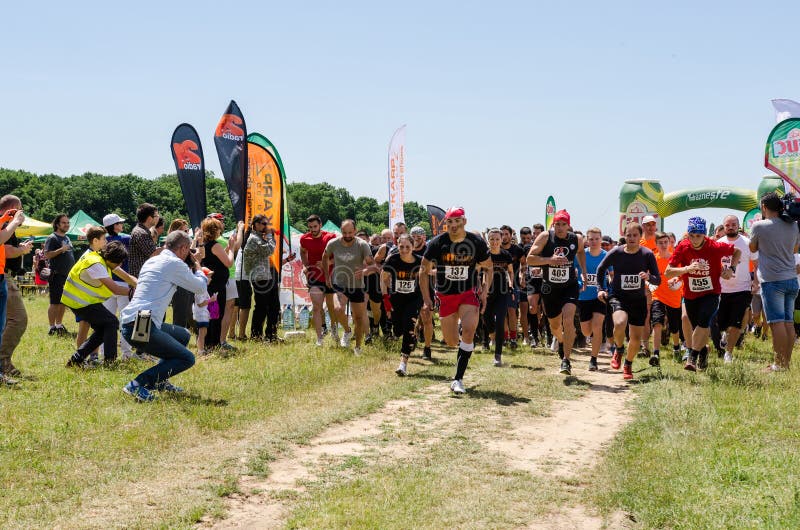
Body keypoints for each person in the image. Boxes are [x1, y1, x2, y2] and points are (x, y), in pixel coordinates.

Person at [120, 231, 209, 402]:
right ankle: (137, 384)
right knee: (187, 358)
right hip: (141, 323)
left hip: (133, 320)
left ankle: (159, 381)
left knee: (182, 334)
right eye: (188, 250)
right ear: (183, 248)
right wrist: (198, 268)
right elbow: (199, 287)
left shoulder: (153, 260)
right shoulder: (174, 264)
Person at [421, 207, 491, 394]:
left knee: (468, 331)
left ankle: (458, 379)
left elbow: (488, 267)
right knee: (452, 341)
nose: (452, 225)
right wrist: (427, 299)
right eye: (449, 222)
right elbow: (423, 270)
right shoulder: (437, 243)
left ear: (464, 222)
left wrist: (484, 291)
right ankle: (462, 337)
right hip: (445, 295)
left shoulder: (475, 242)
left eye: (456, 222)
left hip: (468, 292)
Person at [666, 217, 739, 371]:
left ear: (704, 234)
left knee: (704, 321)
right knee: (698, 326)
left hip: (711, 293)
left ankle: (692, 356)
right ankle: (703, 351)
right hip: (690, 294)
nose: (694, 239)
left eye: (698, 236)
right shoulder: (683, 247)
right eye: (691, 235)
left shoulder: (715, 246)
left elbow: (737, 252)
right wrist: (686, 269)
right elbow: (668, 272)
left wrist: (731, 269)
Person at [596, 223, 660, 380]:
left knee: (636, 338)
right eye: (628, 235)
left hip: (638, 300)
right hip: (619, 296)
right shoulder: (616, 252)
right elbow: (601, 269)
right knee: (619, 323)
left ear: (640, 236)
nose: (631, 238)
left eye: (635, 235)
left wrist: (648, 277)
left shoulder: (647, 254)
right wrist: (600, 289)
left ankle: (628, 364)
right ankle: (618, 349)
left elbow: (658, 279)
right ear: (624, 236)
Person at [526, 209, 587, 376]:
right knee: (554, 325)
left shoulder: (577, 239)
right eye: (557, 224)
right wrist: (549, 260)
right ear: (553, 225)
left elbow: (581, 252)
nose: (560, 228)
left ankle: (566, 360)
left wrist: (583, 271)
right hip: (550, 288)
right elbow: (529, 259)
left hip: (569, 286)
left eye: (563, 224)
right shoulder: (546, 237)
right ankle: (560, 341)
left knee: (568, 321)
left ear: (569, 225)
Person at [63, 240, 137, 367]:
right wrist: (136, 293)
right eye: (119, 262)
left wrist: (142, 286)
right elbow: (116, 289)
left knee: (103, 329)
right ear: (112, 259)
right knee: (112, 322)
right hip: (80, 301)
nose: (120, 264)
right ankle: (110, 361)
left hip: (85, 301)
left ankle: (76, 359)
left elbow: (128, 277)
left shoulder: (103, 259)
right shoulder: (96, 264)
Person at [749, 192, 800, 371]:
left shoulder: (759, 226)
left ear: (763, 207)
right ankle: (785, 363)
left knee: (776, 322)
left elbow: (752, 248)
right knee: (788, 322)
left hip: (772, 281)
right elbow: (795, 249)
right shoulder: (793, 225)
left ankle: (778, 365)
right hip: (792, 280)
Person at [322, 219, 376, 355]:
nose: (347, 235)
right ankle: (347, 331)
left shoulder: (362, 245)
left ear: (355, 231)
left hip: (357, 286)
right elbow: (325, 257)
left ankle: (358, 347)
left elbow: (373, 265)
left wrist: (365, 271)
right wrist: (327, 277)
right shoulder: (333, 243)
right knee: (338, 309)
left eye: (350, 232)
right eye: (344, 232)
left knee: (358, 318)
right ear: (341, 231)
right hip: (339, 283)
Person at [716, 215, 757, 363]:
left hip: (742, 288)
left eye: (733, 224)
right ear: (724, 227)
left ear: (738, 226)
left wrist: (756, 282)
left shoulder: (747, 243)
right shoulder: (719, 243)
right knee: (721, 323)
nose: (730, 227)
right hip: (722, 289)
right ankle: (724, 335)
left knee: (735, 323)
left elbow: (757, 263)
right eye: (727, 225)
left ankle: (729, 353)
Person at [382, 234, 423, 375]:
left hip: (414, 298)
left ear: (413, 247)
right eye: (401, 247)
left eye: (407, 247)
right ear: (397, 245)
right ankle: (412, 334)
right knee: (398, 330)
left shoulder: (419, 261)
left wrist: (427, 299)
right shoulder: (392, 259)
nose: (404, 250)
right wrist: (386, 298)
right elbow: (383, 279)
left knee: (408, 326)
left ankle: (403, 363)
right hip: (397, 298)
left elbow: (424, 279)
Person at [199, 216, 243, 349]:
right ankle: (213, 343)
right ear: (215, 230)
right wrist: (230, 248)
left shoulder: (206, 244)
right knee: (216, 315)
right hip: (217, 285)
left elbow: (217, 258)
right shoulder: (215, 244)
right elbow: (229, 263)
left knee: (212, 313)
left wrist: (227, 250)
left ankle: (209, 343)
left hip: (211, 284)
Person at [0, 198, 29, 384]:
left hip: (5, 277)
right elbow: (7, 250)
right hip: (4, 276)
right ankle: (3, 361)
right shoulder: (6, 223)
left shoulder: (5, 223)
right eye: (20, 209)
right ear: (13, 209)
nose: (22, 213)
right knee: (18, 319)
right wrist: (23, 250)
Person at [102, 212, 136, 360]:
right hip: (123, 282)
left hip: (106, 283)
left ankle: (104, 353)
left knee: (106, 320)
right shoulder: (126, 239)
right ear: (114, 226)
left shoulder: (102, 241)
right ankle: (126, 354)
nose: (122, 225)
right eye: (119, 223)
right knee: (125, 320)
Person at [300, 215, 338, 346]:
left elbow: (338, 255)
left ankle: (334, 329)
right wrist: (306, 265)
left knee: (331, 307)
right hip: (315, 277)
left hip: (330, 275)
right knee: (317, 307)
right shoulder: (305, 238)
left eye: (315, 226)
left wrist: (326, 262)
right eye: (310, 227)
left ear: (320, 225)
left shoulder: (330, 237)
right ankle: (319, 338)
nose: (313, 229)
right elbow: (303, 251)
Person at [243, 215, 281, 341]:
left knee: (274, 306)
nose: (266, 226)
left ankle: (271, 334)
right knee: (261, 307)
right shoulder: (254, 238)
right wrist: (270, 236)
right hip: (260, 277)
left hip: (266, 275)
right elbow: (269, 250)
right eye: (264, 223)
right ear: (256, 224)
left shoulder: (259, 237)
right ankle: (256, 335)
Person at [649, 232, 683, 363]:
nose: (663, 245)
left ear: (669, 243)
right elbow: (648, 276)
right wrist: (649, 284)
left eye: (665, 242)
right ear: (656, 244)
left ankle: (676, 347)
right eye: (660, 243)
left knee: (674, 327)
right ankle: (656, 353)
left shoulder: (675, 259)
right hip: (657, 296)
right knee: (657, 322)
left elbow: (682, 276)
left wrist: (677, 281)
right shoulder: (653, 259)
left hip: (674, 297)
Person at [576, 227, 607, 371]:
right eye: (591, 239)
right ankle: (591, 337)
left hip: (600, 296)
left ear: (601, 240)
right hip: (584, 297)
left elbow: (612, 274)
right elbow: (574, 272)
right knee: (586, 331)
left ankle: (593, 359)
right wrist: (580, 281)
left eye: (596, 239)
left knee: (597, 326)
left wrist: (609, 285)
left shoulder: (607, 256)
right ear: (586, 240)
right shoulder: (581, 255)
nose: (594, 242)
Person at [482, 229, 514, 366]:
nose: (494, 242)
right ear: (488, 241)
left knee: (501, 320)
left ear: (501, 240)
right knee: (486, 318)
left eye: (497, 239)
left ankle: (498, 355)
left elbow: (511, 272)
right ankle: (492, 335)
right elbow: (479, 272)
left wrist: (511, 284)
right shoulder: (485, 255)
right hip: (487, 292)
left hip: (502, 291)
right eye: (492, 239)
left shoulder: (506, 255)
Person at [44, 213, 75, 336]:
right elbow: (47, 254)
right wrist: (61, 250)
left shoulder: (66, 237)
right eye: (64, 222)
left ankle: (59, 325)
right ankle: (52, 327)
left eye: (68, 222)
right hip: (57, 275)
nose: (66, 225)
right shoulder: (52, 238)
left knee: (63, 302)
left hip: (67, 276)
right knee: (55, 302)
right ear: (57, 224)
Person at [410, 225, 435, 359]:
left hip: (426, 288)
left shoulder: (429, 251)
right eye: (413, 237)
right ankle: (412, 338)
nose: (415, 240)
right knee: (411, 318)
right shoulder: (407, 249)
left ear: (424, 238)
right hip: (410, 289)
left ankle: (427, 348)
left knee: (426, 318)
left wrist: (430, 271)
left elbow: (439, 268)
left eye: (418, 237)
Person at [500, 225, 525, 349]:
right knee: (502, 312)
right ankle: (505, 337)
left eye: (506, 234)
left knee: (512, 311)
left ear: (511, 235)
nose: (504, 237)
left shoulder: (517, 250)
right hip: (497, 285)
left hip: (513, 284)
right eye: (502, 234)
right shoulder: (496, 249)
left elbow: (524, 263)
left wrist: (522, 275)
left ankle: (513, 338)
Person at [128, 203, 161, 279]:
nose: (158, 218)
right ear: (149, 218)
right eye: (156, 216)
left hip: (143, 277)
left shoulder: (142, 231)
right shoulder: (140, 233)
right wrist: (170, 245)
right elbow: (153, 254)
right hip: (140, 279)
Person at [192, 267, 216, 355]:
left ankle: (201, 349)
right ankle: (200, 350)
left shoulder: (204, 289)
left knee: (203, 332)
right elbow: (200, 304)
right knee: (202, 333)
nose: (211, 279)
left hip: (204, 314)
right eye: (209, 277)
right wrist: (211, 300)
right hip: (201, 315)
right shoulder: (200, 290)